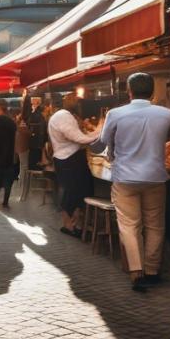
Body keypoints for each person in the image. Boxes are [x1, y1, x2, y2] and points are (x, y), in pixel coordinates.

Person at [94, 72, 170, 292]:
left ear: (129, 91)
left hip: (125, 177)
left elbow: (104, 142)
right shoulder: (165, 113)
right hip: (155, 176)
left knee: (129, 225)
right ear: (152, 92)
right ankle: (153, 271)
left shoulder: (115, 113)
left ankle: (136, 272)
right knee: (155, 225)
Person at [48, 93, 101, 238]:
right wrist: (100, 131)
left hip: (71, 158)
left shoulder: (64, 116)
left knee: (80, 191)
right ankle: (69, 225)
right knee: (71, 192)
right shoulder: (63, 117)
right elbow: (79, 138)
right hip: (68, 159)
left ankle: (76, 223)